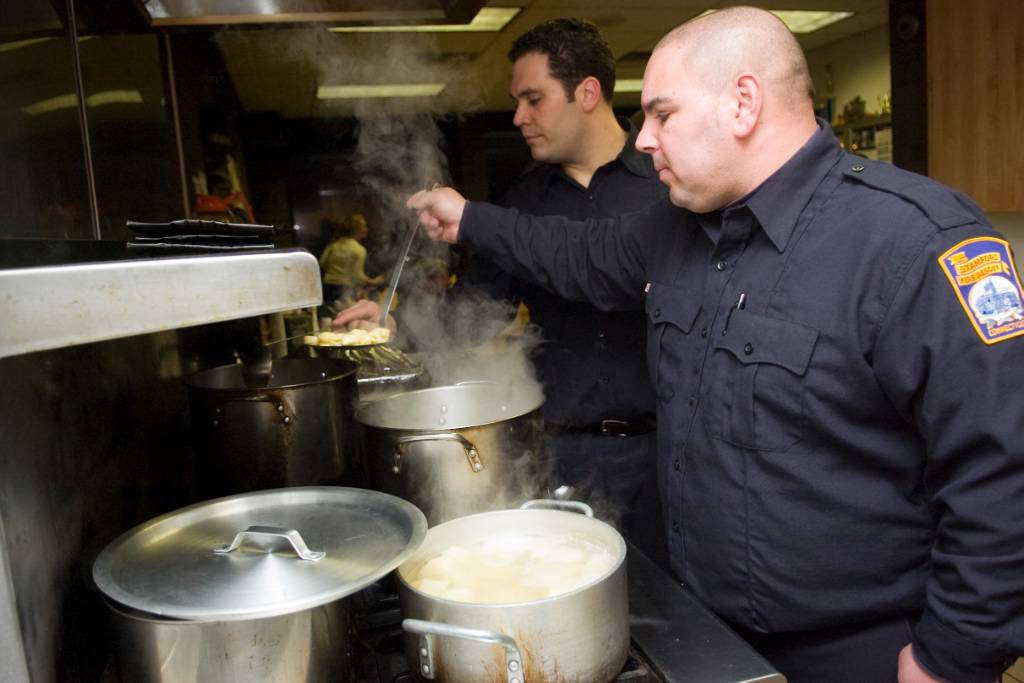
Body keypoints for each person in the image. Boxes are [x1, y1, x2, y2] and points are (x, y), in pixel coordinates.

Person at [400, 7, 1024, 683]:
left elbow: (1002, 474)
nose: (643, 140)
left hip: (859, 651)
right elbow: (570, 250)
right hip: (709, 633)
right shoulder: (674, 230)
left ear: (743, 104)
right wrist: (467, 218)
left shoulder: (912, 240)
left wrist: (952, 657)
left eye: (663, 114)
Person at [338, 18, 669, 566]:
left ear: (587, 93)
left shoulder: (666, 180)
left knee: (676, 617)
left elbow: (606, 265)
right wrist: (395, 322)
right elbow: (477, 303)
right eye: (518, 101)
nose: (519, 118)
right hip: (561, 451)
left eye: (534, 99)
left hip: (667, 453)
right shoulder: (524, 202)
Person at [319, 213, 384, 306]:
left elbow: (322, 263)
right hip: (344, 290)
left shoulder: (333, 245)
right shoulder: (359, 250)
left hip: (326, 288)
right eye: (364, 226)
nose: (366, 229)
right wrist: (374, 282)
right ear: (356, 230)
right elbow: (358, 276)